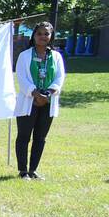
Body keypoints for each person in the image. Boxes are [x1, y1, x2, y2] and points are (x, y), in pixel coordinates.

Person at [13, 20, 66, 180]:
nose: (43, 36)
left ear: (51, 36)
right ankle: (23, 171)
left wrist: (47, 95)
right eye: (39, 33)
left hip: (48, 103)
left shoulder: (56, 56)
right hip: (29, 101)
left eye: (46, 34)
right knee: (24, 136)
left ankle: (33, 170)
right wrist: (35, 94)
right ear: (34, 36)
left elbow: (60, 77)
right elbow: (21, 78)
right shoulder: (25, 55)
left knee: (40, 138)